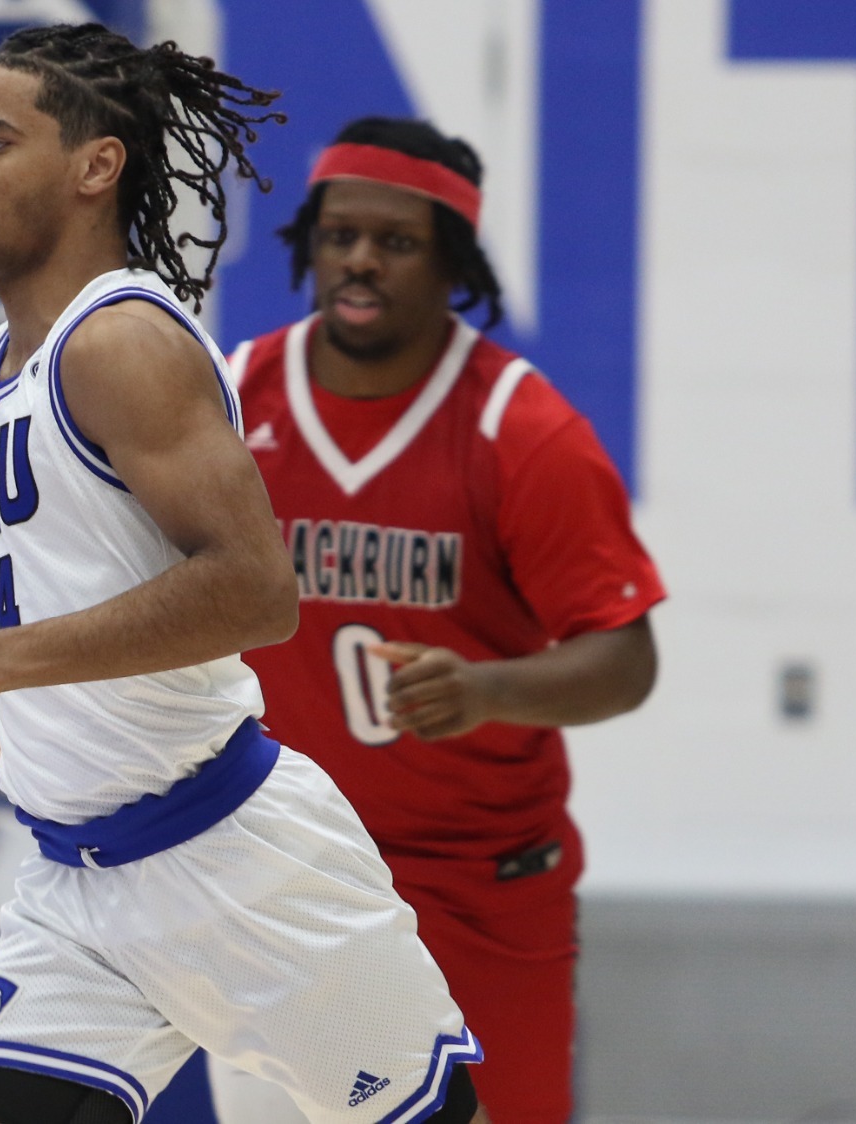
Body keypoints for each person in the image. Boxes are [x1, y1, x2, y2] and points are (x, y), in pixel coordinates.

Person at [0, 24, 489, 1124]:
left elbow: (255, 591)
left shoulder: (120, 343)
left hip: (233, 859)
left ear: (96, 165)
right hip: (74, 888)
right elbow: (83, 596)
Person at [204, 117, 665, 1124]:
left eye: (397, 241)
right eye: (339, 235)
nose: (360, 260)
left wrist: (486, 688)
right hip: (280, 870)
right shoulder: (230, 398)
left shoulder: (519, 427)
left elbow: (625, 657)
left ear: (451, 261)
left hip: (472, 880)